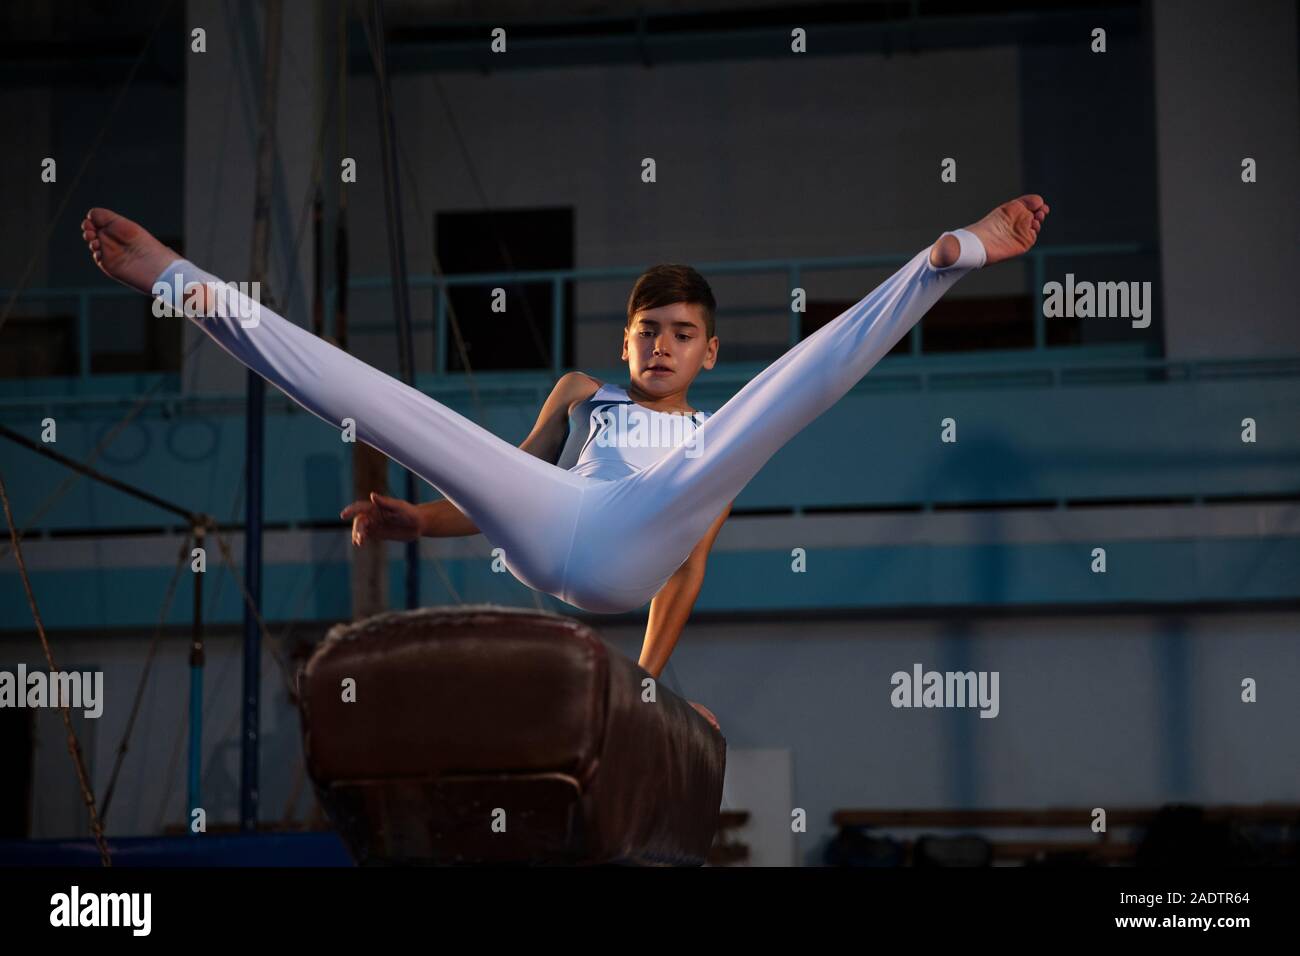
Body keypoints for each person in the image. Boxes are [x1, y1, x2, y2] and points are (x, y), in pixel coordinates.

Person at [80, 196, 1049, 728]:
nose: (661, 346)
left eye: (681, 334)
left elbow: (690, 563)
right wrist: (421, 518)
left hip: (639, 544)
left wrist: (644, 679)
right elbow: (504, 482)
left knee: (784, 398)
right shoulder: (583, 391)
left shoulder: (707, 438)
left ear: (708, 351)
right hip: (550, 521)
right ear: (626, 342)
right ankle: (178, 279)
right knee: (382, 402)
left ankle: (942, 261)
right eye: (647, 332)